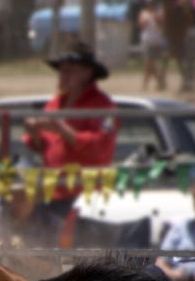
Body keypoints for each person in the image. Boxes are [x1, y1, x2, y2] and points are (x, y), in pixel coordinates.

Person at [17, 40, 119, 243]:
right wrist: (35, 131)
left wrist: (61, 128)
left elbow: (101, 147)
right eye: (61, 71)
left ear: (87, 74)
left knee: (79, 257)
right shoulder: (55, 103)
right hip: (52, 193)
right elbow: (40, 145)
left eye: (70, 70)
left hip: (86, 197)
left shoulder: (103, 106)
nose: (63, 76)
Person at [138, 3, 168, 90]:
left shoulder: (160, 13)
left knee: (150, 64)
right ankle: (155, 82)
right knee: (149, 63)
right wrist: (147, 19)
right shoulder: (144, 14)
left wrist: (157, 18)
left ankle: (153, 82)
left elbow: (163, 24)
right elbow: (141, 25)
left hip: (158, 41)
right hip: (148, 41)